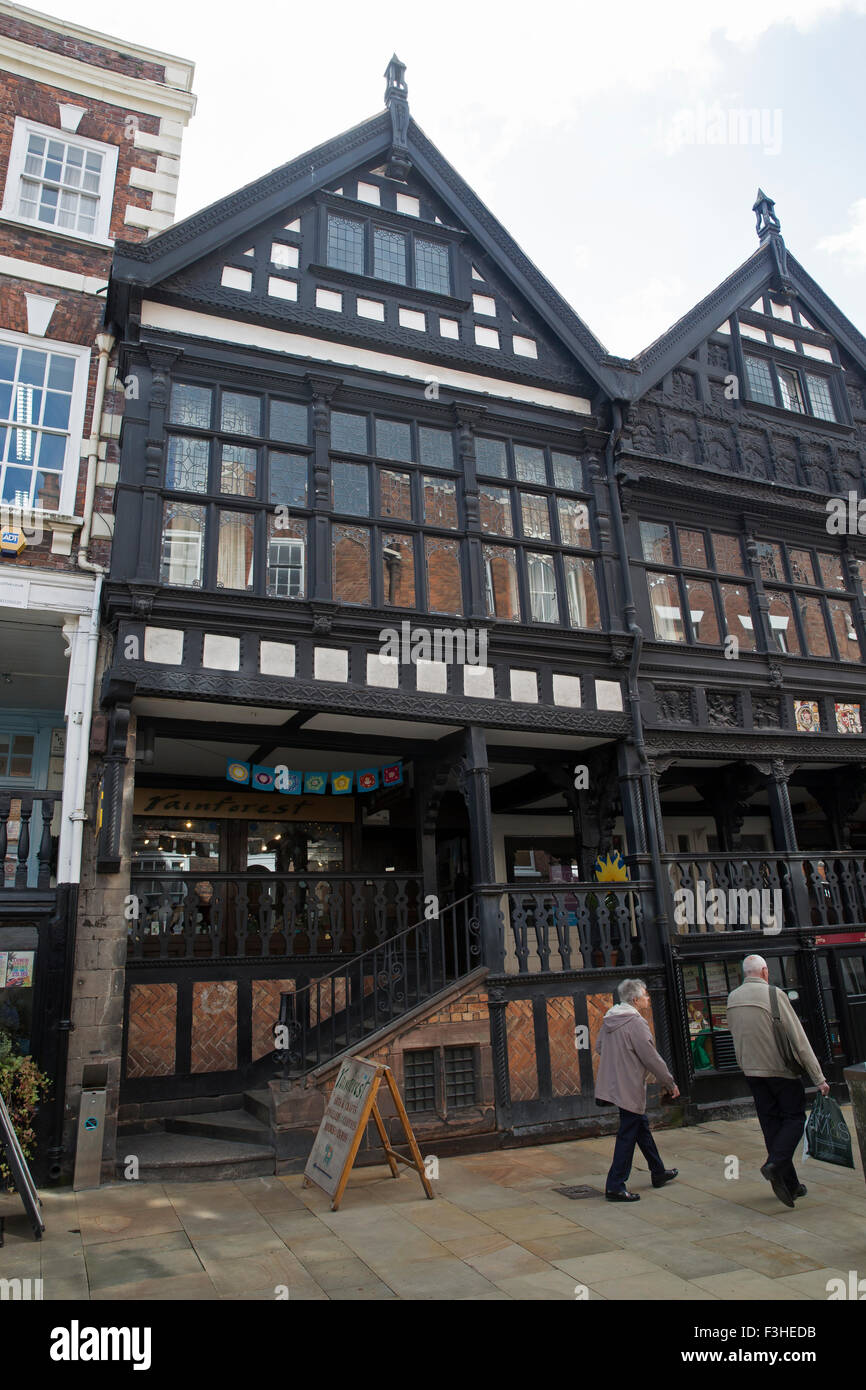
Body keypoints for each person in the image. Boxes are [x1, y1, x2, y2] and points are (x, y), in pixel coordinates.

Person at [726, 953, 830, 1209]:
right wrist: (819, 1077)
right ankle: (774, 1164)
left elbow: (734, 1033)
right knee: (795, 1119)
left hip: (751, 1071)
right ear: (764, 972)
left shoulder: (732, 997)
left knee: (771, 1124)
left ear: (744, 973)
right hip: (780, 1070)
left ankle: (790, 1184)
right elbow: (799, 1038)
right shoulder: (774, 995)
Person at [595, 978, 680, 1202]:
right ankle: (615, 1185)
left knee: (640, 1127)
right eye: (645, 995)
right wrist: (669, 1082)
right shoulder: (635, 1022)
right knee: (627, 1135)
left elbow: (599, 1047)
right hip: (630, 1086)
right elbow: (651, 1057)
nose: (648, 998)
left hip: (615, 1084)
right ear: (635, 1000)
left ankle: (658, 1171)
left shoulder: (609, 1019)